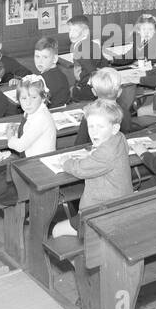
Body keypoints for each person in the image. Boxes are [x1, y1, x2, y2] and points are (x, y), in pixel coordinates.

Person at [52, 100, 132, 238]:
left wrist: (66, 162)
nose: (94, 131)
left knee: (56, 230)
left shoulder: (106, 152)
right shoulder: (119, 137)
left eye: (100, 127)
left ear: (114, 128)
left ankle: (82, 257)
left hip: (102, 212)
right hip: (118, 203)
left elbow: (80, 169)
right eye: (91, 126)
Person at [0, 76, 58, 210]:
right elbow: (28, 131)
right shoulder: (33, 111)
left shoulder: (41, 118)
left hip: (38, 166)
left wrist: (10, 136)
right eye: (23, 99)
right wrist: (17, 131)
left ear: (43, 98)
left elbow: (20, 146)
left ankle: (28, 203)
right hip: (29, 158)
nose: (28, 103)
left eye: (33, 98)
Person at [73, 67, 137, 143]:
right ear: (120, 92)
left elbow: (80, 142)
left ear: (94, 92)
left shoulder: (90, 114)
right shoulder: (124, 112)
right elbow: (127, 137)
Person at [67, 14, 101, 102]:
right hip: (88, 83)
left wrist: (78, 86)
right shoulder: (84, 44)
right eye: (70, 30)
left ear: (85, 32)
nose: (71, 34)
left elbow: (91, 70)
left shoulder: (82, 48)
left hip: (89, 86)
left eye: (75, 31)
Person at [32, 36, 71, 108]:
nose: (40, 61)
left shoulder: (41, 80)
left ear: (55, 59)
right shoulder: (62, 75)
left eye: (45, 57)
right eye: (37, 56)